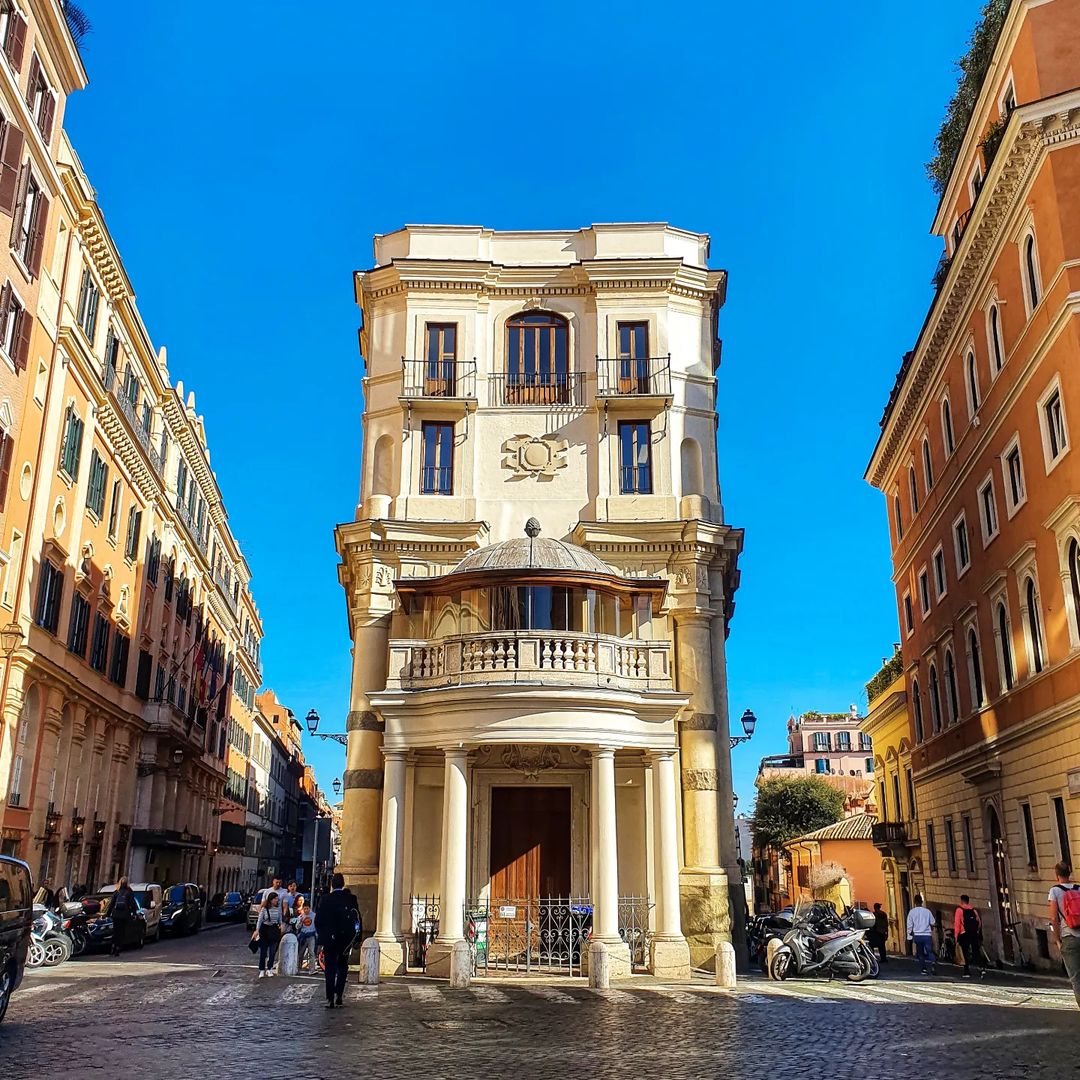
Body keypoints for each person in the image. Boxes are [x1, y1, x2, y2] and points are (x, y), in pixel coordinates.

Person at [315, 872, 360, 1008]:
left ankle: (330, 998)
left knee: (330, 968)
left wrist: (322, 936)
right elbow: (357, 919)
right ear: (343, 884)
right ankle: (339, 994)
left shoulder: (325, 899)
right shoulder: (351, 898)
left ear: (332, 884)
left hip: (330, 939)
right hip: (345, 939)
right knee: (342, 966)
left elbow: (318, 920)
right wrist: (358, 937)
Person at [1048, 860, 1080, 1008]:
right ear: (1070, 873)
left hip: (1069, 936)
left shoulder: (1054, 891)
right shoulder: (1078, 888)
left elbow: (1054, 918)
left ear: (1057, 875)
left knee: (1075, 976)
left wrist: (1057, 940)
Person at [252, 890, 284, 978]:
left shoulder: (278, 909)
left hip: (273, 930)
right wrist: (257, 930)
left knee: (272, 951)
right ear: (270, 900)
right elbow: (260, 920)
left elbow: (280, 920)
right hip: (264, 930)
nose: (276, 901)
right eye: (275, 899)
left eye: (277, 899)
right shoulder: (264, 909)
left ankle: (269, 968)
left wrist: (281, 926)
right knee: (263, 952)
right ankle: (262, 969)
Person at [953, 894, 983, 978]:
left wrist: (956, 936)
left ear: (962, 901)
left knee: (964, 952)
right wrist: (976, 931)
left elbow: (957, 923)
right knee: (976, 950)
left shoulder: (959, 910)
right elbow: (979, 922)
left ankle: (966, 971)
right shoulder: (973, 910)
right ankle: (981, 968)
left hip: (964, 933)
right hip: (973, 932)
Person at [906, 894, 936, 975]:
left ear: (915, 902)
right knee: (930, 951)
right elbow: (933, 922)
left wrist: (909, 935)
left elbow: (909, 925)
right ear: (922, 902)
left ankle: (924, 969)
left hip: (917, 935)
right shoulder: (927, 911)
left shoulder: (912, 912)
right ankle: (933, 962)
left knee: (920, 953)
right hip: (927, 935)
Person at [110, 877, 136, 958]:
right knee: (121, 932)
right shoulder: (129, 892)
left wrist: (107, 914)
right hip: (124, 915)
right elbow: (132, 904)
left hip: (115, 914)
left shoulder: (116, 892)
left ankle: (113, 946)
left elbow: (111, 904)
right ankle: (118, 948)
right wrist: (134, 913)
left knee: (115, 931)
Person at [292, 895, 318, 973]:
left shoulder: (314, 916)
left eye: (307, 908)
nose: (306, 910)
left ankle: (312, 969)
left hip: (311, 935)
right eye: (305, 909)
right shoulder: (301, 916)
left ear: (310, 908)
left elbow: (317, 925)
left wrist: (316, 933)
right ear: (303, 909)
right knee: (300, 953)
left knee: (311, 953)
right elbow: (297, 927)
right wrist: (300, 922)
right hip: (303, 935)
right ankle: (298, 968)